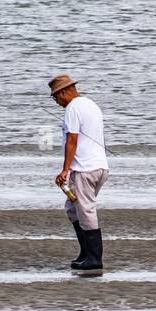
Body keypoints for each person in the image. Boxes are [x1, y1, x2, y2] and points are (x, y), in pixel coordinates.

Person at [48, 73, 108, 272]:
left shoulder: (73, 108)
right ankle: (85, 253)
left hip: (85, 169)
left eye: (56, 97)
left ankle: (94, 258)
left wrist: (65, 169)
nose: (57, 102)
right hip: (99, 167)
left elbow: (72, 140)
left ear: (64, 91)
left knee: (85, 210)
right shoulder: (90, 104)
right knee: (73, 209)